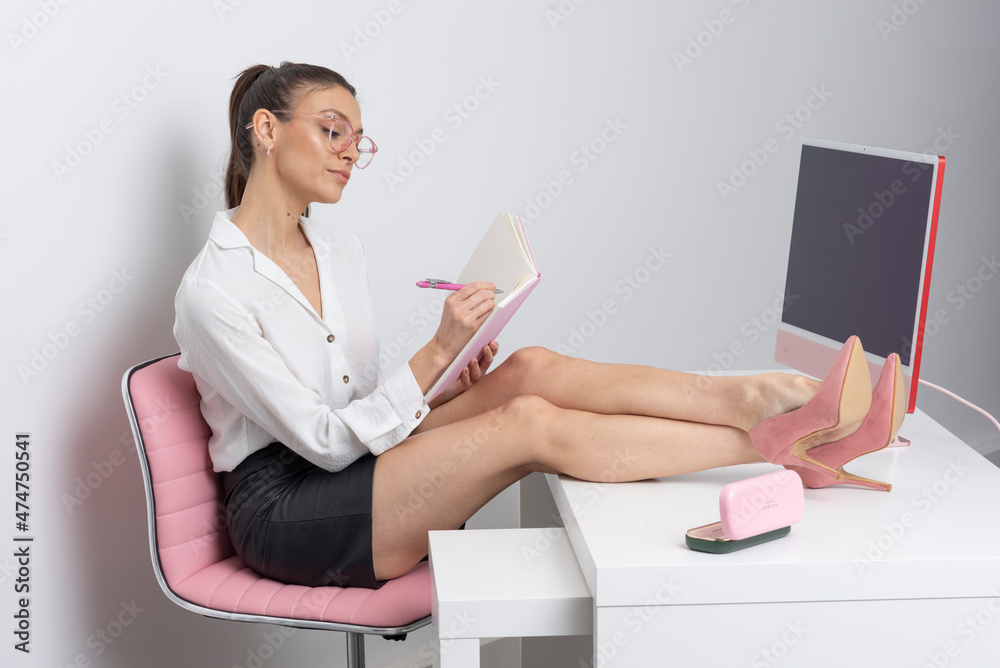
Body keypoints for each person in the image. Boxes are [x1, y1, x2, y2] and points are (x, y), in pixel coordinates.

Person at [174, 62, 904, 590]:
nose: (350, 153)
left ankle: (767, 401)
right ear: (265, 130)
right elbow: (329, 445)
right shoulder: (214, 292)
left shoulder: (336, 250)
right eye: (334, 131)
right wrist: (435, 351)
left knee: (530, 369)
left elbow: (355, 405)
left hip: (357, 457)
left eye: (358, 140)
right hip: (290, 509)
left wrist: (449, 379)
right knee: (526, 423)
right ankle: (783, 441)